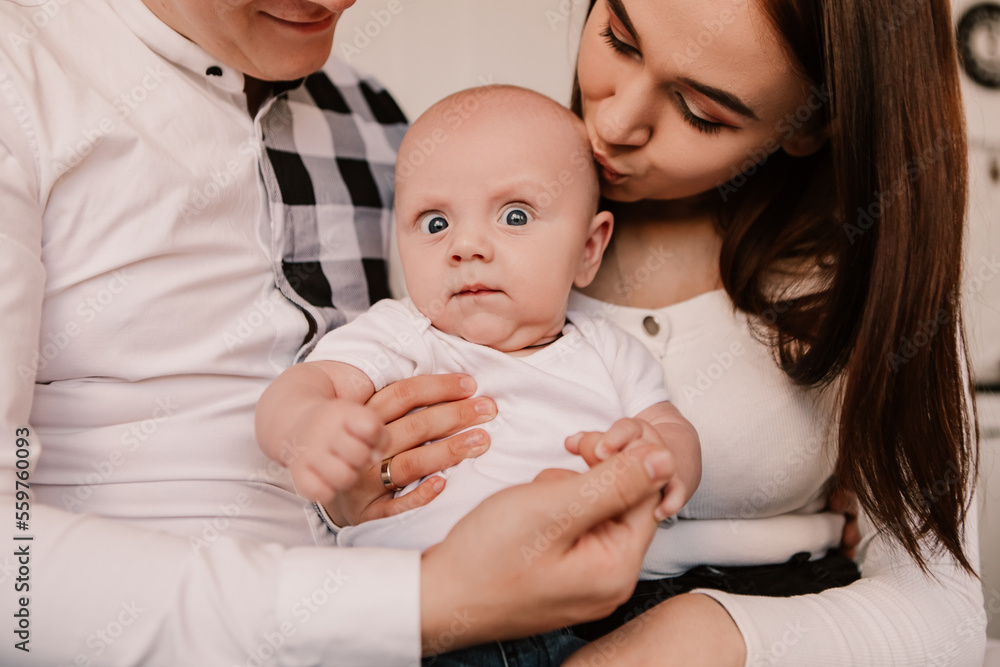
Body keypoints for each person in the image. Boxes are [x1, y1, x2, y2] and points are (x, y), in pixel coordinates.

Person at [0, 1, 679, 665]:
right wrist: (426, 597)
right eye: (437, 224)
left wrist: (363, 486)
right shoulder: (22, 74)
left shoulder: (379, 119)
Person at [552, 0, 984, 663]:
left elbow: (944, 614)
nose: (612, 121)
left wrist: (708, 631)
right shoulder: (466, 199)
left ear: (812, 125)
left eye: (701, 112)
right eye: (618, 38)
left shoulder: (854, 281)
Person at [256, 84, 700, 551]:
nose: (465, 246)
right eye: (435, 223)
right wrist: (307, 424)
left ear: (589, 250)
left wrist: (661, 458)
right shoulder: (402, 335)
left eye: (514, 216)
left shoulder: (608, 351)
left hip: (587, 588)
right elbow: (302, 386)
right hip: (425, 593)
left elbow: (671, 428)